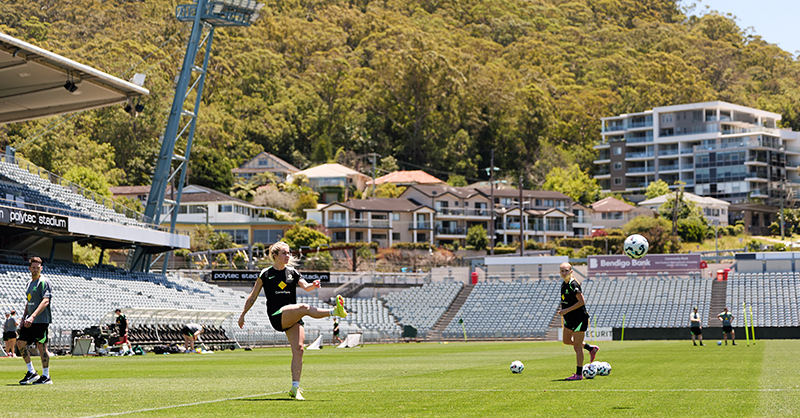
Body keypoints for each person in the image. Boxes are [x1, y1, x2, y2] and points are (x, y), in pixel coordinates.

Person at [238, 241, 348, 400]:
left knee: (299, 349)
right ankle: (334, 311)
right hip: (277, 315)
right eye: (284, 253)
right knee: (303, 307)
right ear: (275, 255)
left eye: (289, 253)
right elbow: (253, 296)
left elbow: (306, 287)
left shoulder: (293, 272)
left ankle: (295, 388)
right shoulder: (265, 274)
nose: (287, 256)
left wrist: (314, 285)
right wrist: (243, 314)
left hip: (292, 315)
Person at [557, 262, 599, 381]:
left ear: (571, 271)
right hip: (569, 318)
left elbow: (581, 302)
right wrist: (564, 310)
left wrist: (566, 310)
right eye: (562, 271)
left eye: (566, 270)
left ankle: (579, 374)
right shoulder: (563, 284)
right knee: (566, 340)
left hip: (579, 318)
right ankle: (590, 348)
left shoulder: (573, 284)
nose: (564, 272)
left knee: (577, 347)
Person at [17, 257, 53, 385]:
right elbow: (28, 302)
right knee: (20, 343)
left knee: (41, 346)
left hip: (41, 320)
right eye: (33, 267)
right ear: (29, 268)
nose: (36, 269)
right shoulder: (28, 283)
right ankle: (32, 372)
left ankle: (46, 376)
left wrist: (33, 316)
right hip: (29, 321)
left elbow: (45, 301)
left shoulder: (44, 282)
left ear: (41, 268)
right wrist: (24, 317)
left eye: (38, 267)